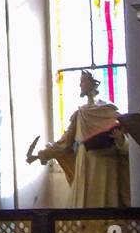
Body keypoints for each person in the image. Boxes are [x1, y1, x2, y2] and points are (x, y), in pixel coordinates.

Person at [29, 70, 129, 207]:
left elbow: (124, 135)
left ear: (94, 83)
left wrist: (119, 139)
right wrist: (41, 154)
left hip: (105, 163)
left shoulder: (108, 109)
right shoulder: (79, 114)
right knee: (86, 202)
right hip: (85, 162)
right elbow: (65, 142)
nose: (80, 85)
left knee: (106, 202)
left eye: (83, 81)